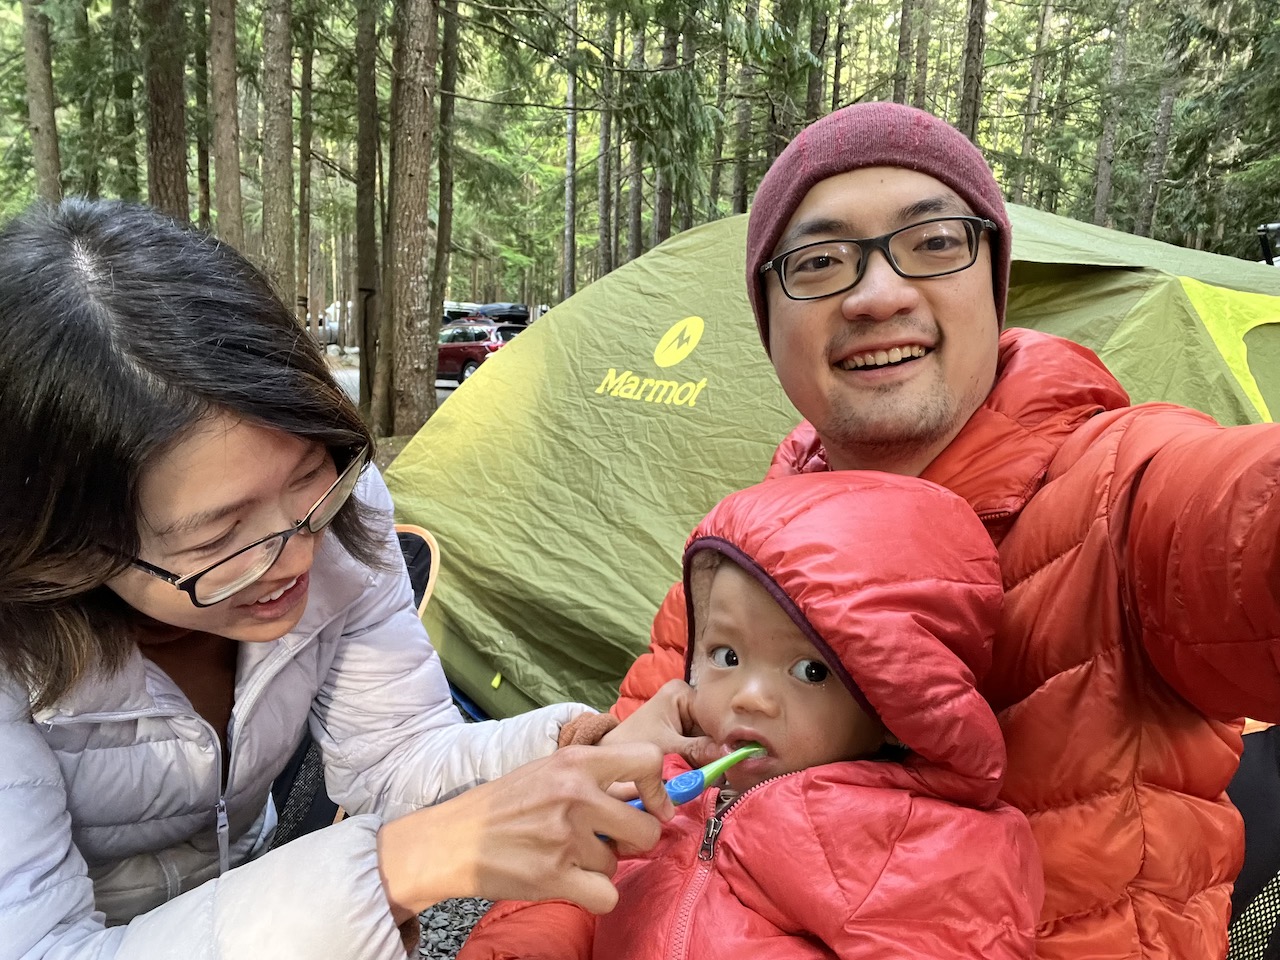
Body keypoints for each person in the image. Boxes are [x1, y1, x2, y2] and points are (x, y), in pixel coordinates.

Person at [610, 101, 1280, 960]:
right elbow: (599, 816)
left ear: (992, 283)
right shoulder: (744, 552)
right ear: (769, 325)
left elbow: (1240, 525)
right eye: (819, 262)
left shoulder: (1122, 496)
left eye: (933, 244)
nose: (877, 295)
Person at [0, 198, 711, 960]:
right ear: (63, 545)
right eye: (219, 535)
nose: (300, 554)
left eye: (314, 473)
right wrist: (390, 868)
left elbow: (393, 757)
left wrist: (570, 745)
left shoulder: (340, 512)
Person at [459, 471, 1043, 960]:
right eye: (727, 655)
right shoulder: (662, 776)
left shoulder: (927, 847)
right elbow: (561, 894)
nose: (749, 697)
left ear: (898, 707)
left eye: (811, 671)